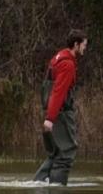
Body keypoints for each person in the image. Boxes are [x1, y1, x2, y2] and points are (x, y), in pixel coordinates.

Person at [34, 31, 88, 185]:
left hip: (54, 112)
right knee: (66, 153)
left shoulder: (58, 58)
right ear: (76, 45)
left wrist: (49, 116)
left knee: (56, 154)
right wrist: (50, 119)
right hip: (61, 114)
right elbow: (58, 91)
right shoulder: (68, 64)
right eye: (84, 45)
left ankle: (37, 184)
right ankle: (58, 192)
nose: (85, 48)